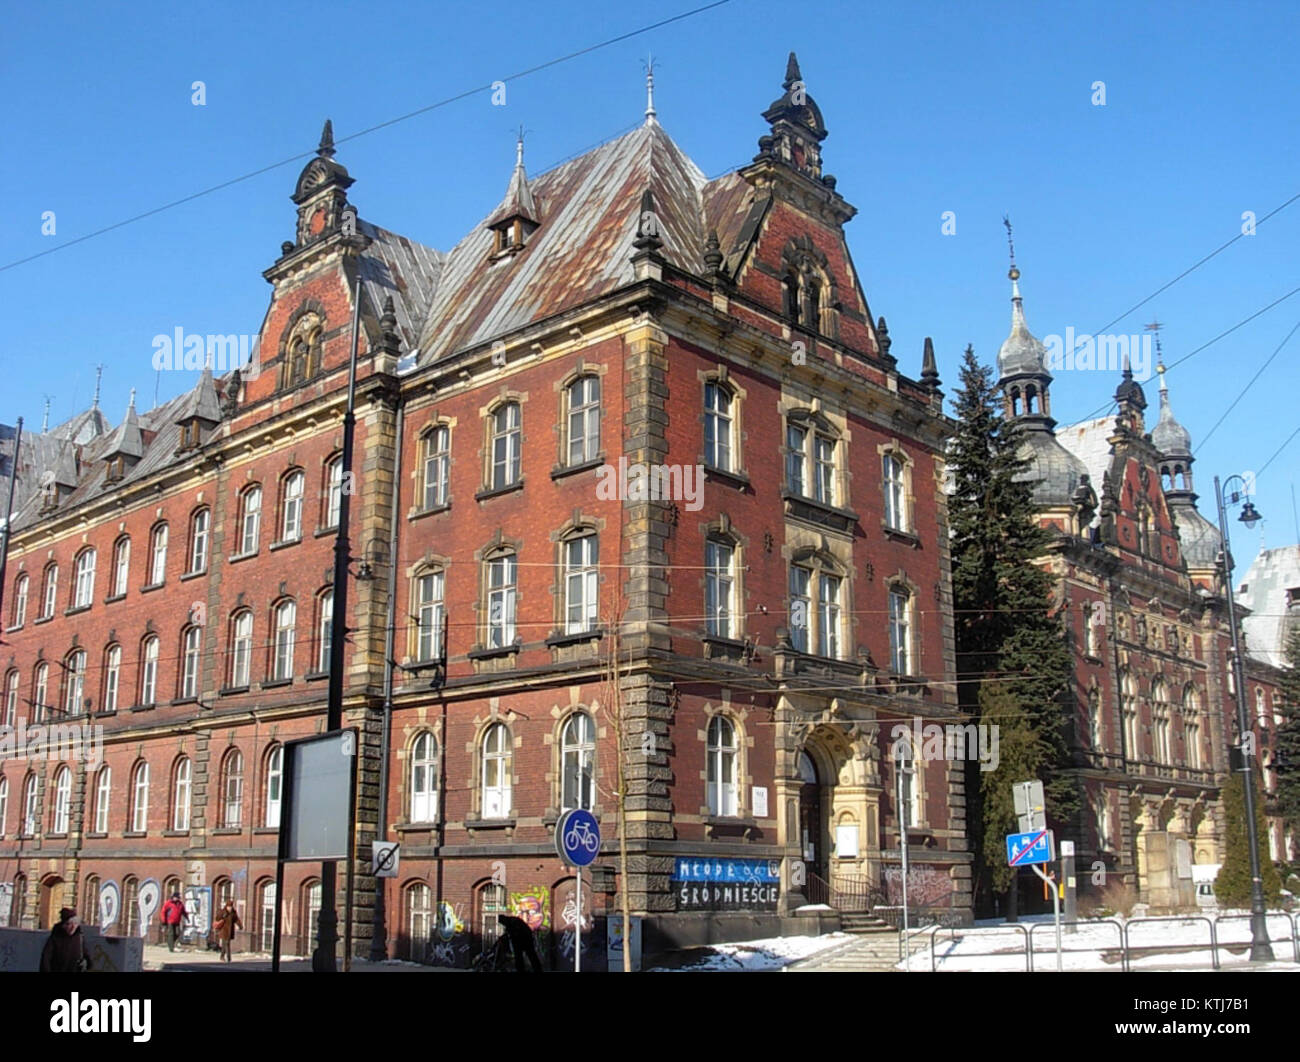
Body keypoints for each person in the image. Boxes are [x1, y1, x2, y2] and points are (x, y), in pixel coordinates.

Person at [40, 907, 88, 972]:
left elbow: (86, 956)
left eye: (75, 923)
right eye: (69, 924)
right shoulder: (55, 938)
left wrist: (86, 963)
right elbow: (45, 960)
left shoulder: (79, 937)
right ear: (63, 925)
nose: (73, 927)